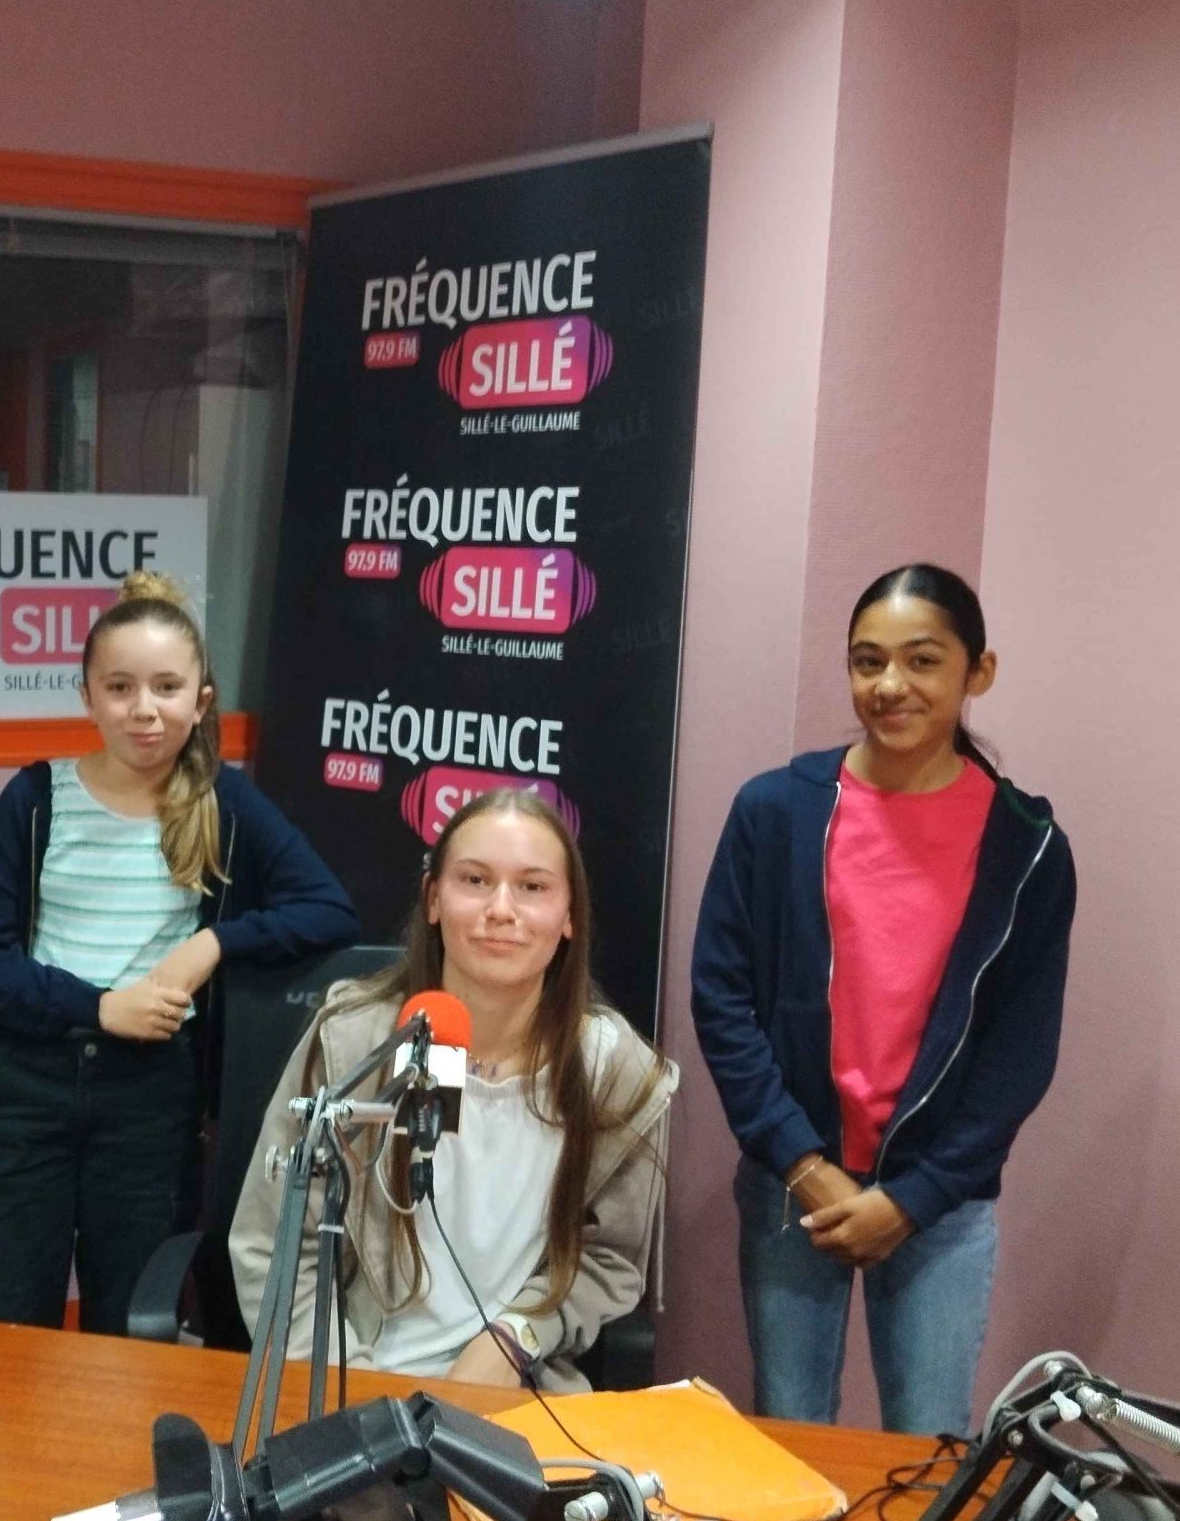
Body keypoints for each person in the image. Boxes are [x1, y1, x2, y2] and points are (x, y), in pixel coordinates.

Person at [690, 563, 1075, 1436]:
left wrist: (918, 1195)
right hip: (797, 1185)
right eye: (868, 662)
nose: (891, 686)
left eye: (922, 661)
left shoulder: (1029, 848)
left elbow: (1021, 1050)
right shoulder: (775, 812)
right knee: (789, 1438)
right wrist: (801, 1161)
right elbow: (722, 1000)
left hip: (941, 1200)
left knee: (929, 1456)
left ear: (978, 673)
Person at [0, 571, 358, 1336]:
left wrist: (212, 943)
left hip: (153, 1102)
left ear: (201, 700)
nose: (145, 709)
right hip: (25, 1091)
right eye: (121, 688)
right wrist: (99, 1006)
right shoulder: (34, 799)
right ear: (87, 697)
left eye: (168, 687)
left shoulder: (224, 802)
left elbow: (328, 908)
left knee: (135, 1326)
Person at [229, 792, 676, 1392]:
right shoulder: (354, 1040)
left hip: (515, 1392)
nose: (501, 909)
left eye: (533, 888)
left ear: (570, 916)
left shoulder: (615, 1072)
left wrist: (517, 1337)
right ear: (434, 899)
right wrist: (345, 1387)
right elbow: (273, 1247)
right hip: (348, 1379)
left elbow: (608, 1261)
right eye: (474, 880)